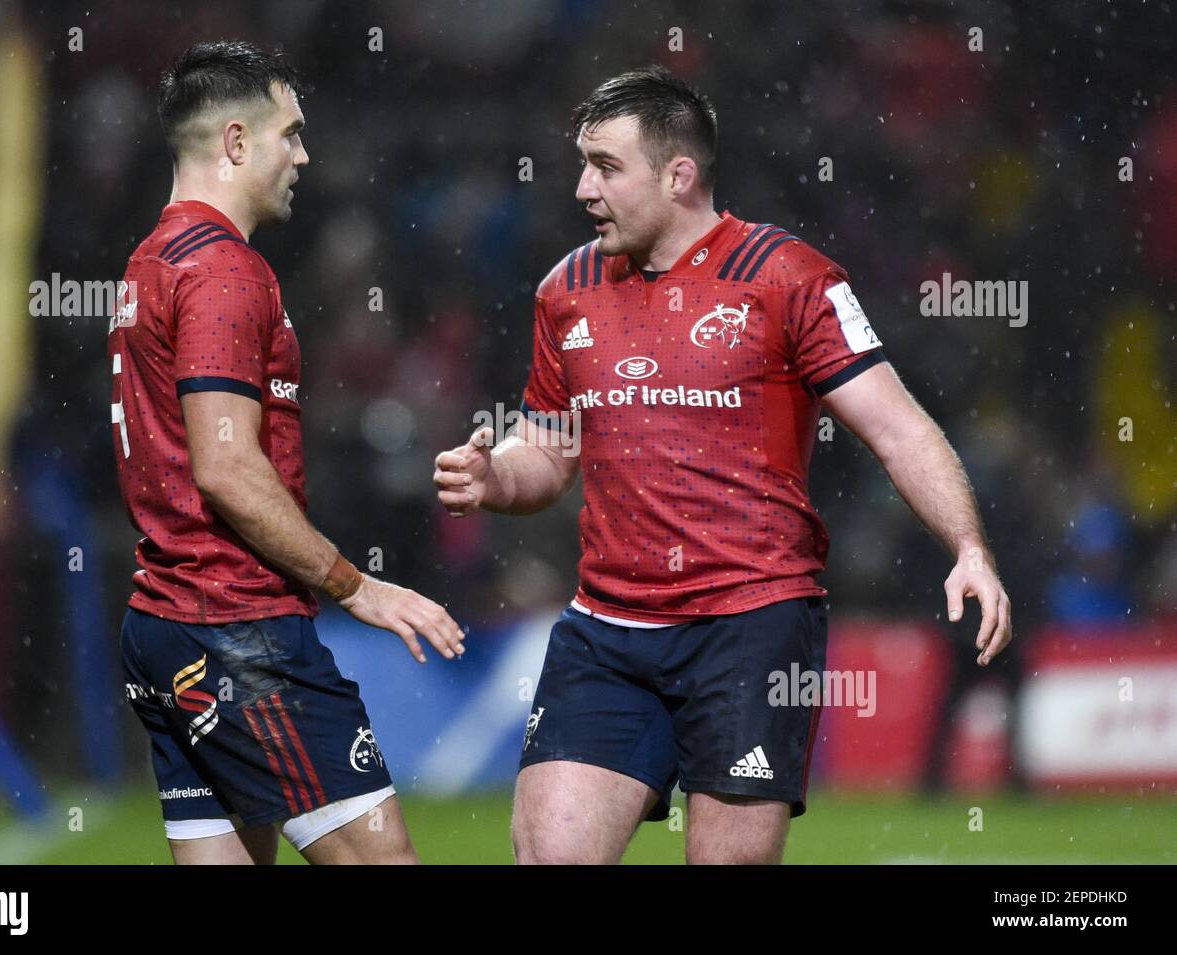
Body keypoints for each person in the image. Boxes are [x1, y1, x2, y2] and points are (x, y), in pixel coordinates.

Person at [433, 65, 1012, 864]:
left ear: (679, 175)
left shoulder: (789, 278)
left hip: (752, 626)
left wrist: (969, 548)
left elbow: (899, 429)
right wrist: (496, 476)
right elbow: (550, 452)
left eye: (605, 166)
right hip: (608, 630)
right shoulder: (563, 289)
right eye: (580, 164)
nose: (580, 190)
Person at [110, 40, 464, 865]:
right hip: (239, 628)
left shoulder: (148, 262)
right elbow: (226, 465)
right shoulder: (226, 271)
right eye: (290, 134)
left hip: (164, 619)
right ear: (236, 141)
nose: (304, 155)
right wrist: (357, 586)